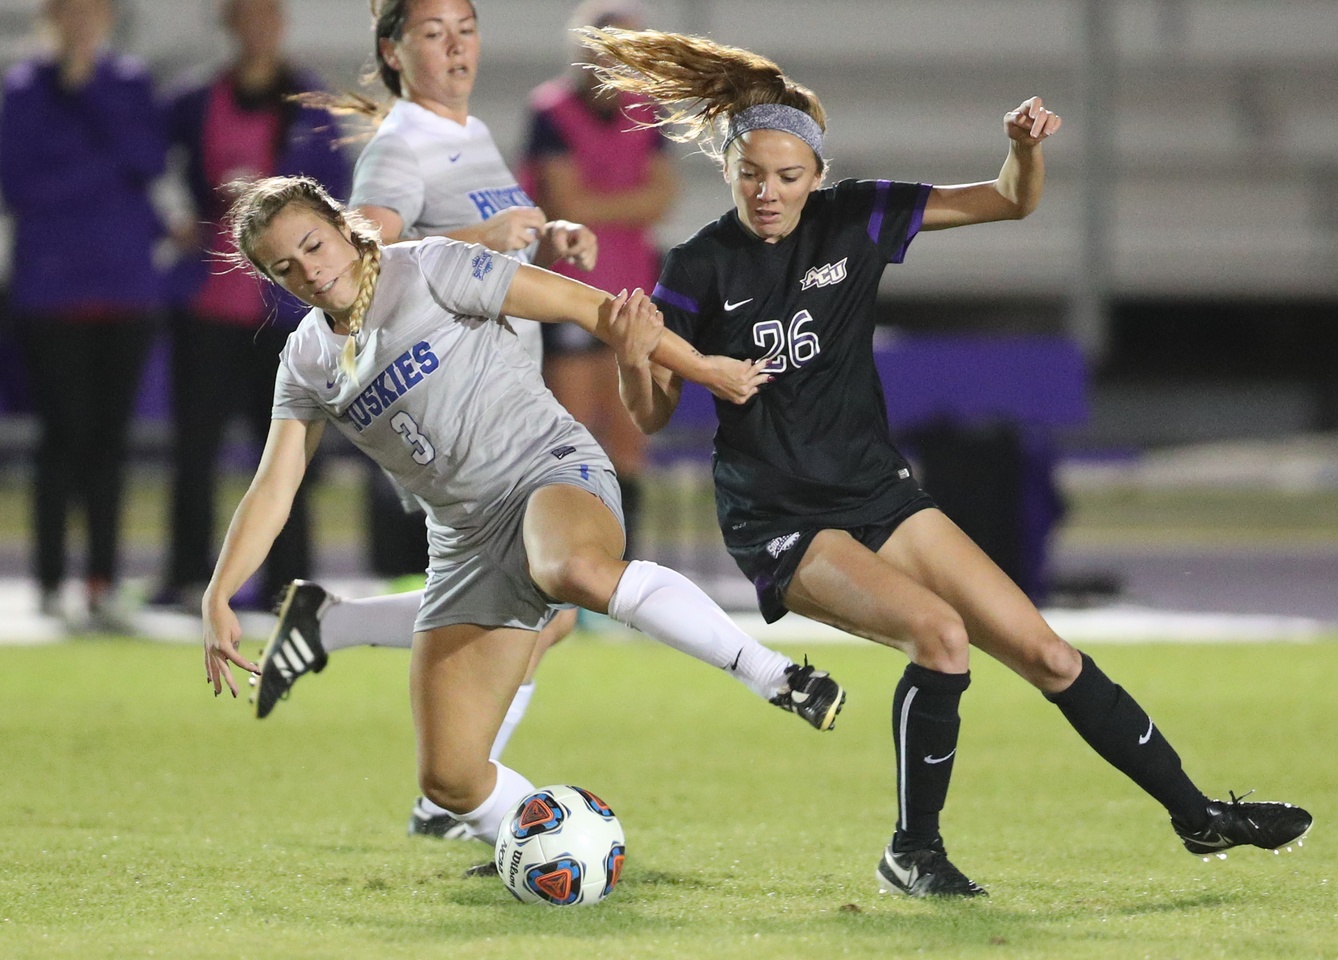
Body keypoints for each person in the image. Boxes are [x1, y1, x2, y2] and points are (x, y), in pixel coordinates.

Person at [577, 27, 1315, 898]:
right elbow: (655, 411)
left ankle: (1200, 817)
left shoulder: (860, 216)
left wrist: (1021, 151)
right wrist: (634, 356)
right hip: (781, 519)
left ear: (817, 175)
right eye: (751, 175)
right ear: (730, 169)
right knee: (942, 637)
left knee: (1046, 653)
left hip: (878, 491)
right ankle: (911, 853)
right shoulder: (700, 263)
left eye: (787, 176)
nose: (768, 193)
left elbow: (1011, 202)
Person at [202, 175, 844, 857]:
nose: (310, 269)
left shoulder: (431, 268)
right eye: (285, 267)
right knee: (450, 778)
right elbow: (273, 487)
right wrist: (218, 592)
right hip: (463, 544)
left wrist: (707, 368)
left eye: (313, 244)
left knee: (569, 569)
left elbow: (593, 308)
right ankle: (558, 850)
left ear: (341, 225)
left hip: (548, 470)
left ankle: (772, 674)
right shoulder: (304, 359)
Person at [257, 0, 596, 842]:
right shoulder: (402, 145)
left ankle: (342, 636)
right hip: (457, 420)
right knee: (541, 603)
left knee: (533, 606)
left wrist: (542, 233)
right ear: (393, 51)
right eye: (433, 33)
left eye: (466, 29)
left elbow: (481, 247)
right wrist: (489, 232)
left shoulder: (468, 133)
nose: (455, 47)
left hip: (506, 410)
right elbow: (363, 256)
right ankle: (451, 792)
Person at [154, 0, 351, 613]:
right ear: (231, 24)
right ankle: (187, 576)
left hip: (283, 308)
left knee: (285, 452)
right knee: (196, 446)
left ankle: (288, 580)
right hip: (211, 300)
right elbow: (142, 165)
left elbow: (334, 194)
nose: (259, 26)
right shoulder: (194, 100)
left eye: (269, 15)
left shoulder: (309, 102)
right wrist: (176, 222)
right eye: (248, 15)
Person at [0, 0, 167, 631]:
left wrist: (88, 100)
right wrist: (104, 173)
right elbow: (18, 185)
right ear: (51, 16)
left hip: (126, 291)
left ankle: (101, 577)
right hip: (50, 294)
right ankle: (47, 579)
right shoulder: (24, 87)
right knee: (59, 439)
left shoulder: (126, 83)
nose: (82, 20)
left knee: (110, 444)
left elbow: (149, 162)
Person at [519, 0, 677, 555]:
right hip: (569, 292)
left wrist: (599, 204)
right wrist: (629, 203)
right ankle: (572, 561)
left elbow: (663, 198)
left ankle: (622, 569)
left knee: (630, 440)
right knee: (573, 438)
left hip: (634, 291)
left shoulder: (645, 110)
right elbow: (565, 200)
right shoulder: (551, 111)